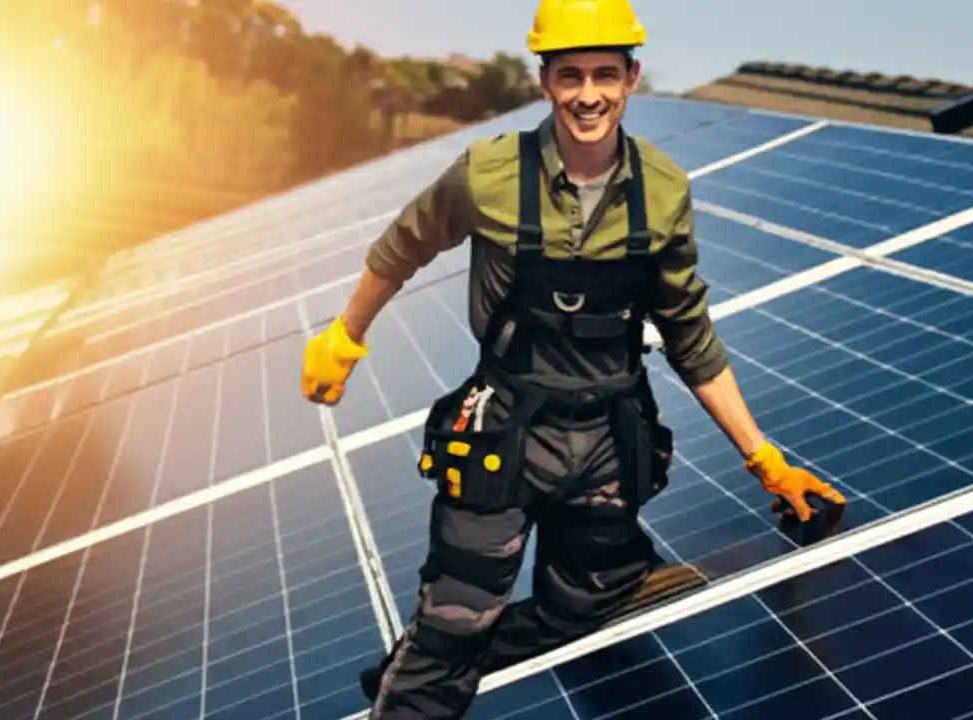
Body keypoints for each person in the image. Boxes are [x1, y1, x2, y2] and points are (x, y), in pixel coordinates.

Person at [300, 1, 847, 717]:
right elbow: (401, 249)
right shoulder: (487, 176)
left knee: (591, 603)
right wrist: (346, 335)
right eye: (570, 75)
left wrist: (763, 458)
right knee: (458, 619)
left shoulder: (663, 191)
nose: (588, 93)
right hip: (504, 434)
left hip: (609, 441)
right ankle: (431, 668)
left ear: (631, 78)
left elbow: (689, 335)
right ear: (545, 82)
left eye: (604, 74)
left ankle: (450, 656)